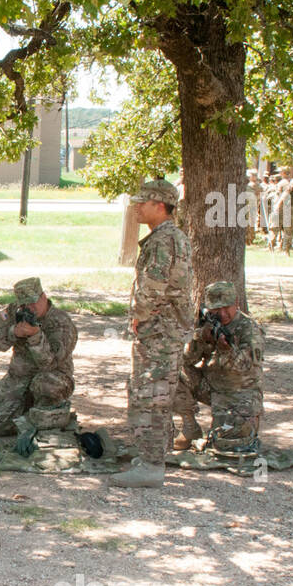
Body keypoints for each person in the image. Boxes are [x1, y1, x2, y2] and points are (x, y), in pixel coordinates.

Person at [112, 178, 193, 488]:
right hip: (164, 330)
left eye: (143, 203)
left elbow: (152, 288)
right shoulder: (171, 237)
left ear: (160, 206)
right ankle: (152, 456)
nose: (137, 207)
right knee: (156, 393)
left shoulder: (163, 240)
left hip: (159, 333)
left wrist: (138, 315)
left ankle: (151, 466)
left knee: (152, 396)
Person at [172, 281, 265, 452]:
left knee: (225, 445)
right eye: (216, 309)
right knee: (171, 372)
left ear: (237, 303)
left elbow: (246, 368)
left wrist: (227, 350)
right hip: (211, 386)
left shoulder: (250, 329)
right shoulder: (209, 324)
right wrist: (200, 338)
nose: (222, 314)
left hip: (240, 395)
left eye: (227, 307)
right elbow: (185, 359)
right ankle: (189, 426)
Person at [0, 277, 77, 437]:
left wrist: (35, 336)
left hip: (53, 379)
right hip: (20, 378)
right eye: (24, 304)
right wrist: (13, 332)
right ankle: (33, 417)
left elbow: (51, 364)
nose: (29, 308)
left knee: (44, 384)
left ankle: (51, 416)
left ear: (43, 297)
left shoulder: (61, 322)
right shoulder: (13, 312)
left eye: (33, 303)